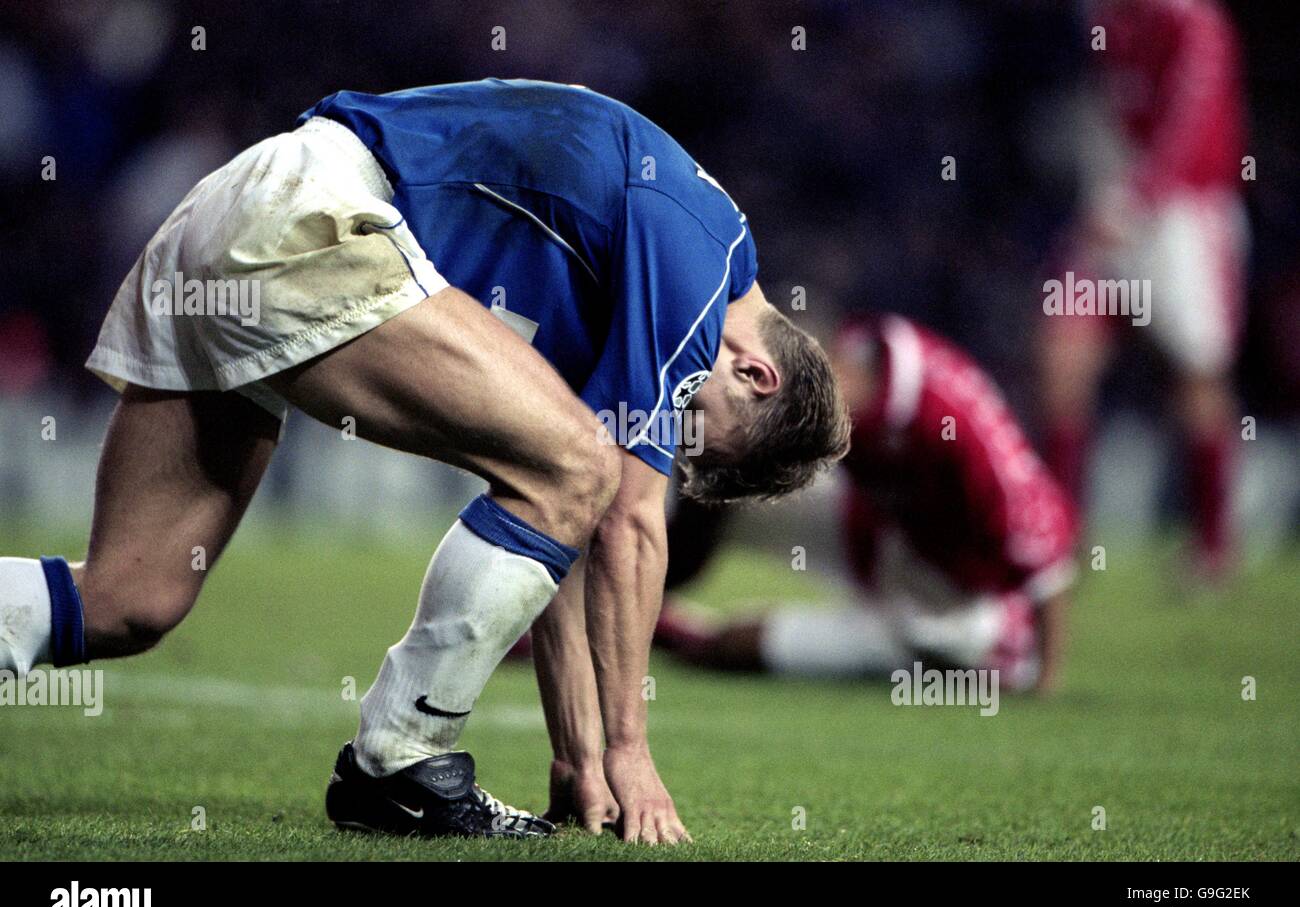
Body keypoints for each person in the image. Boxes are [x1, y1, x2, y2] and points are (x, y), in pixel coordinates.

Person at [0, 79, 850, 845]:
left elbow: (565, 527)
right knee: (583, 468)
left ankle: (399, 761)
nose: (665, 429)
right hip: (310, 215)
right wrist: (631, 752)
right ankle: (395, 765)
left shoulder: (652, 271)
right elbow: (623, 515)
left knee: (126, 598)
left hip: (231, 213)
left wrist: (578, 758)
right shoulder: (705, 262)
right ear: (754, 372)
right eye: (691, 425)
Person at [656, 314, 1078, 693]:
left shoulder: (950, 421)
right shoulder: (859, 348)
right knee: (721, 490)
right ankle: (627, 579)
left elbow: (1047, 557)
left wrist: (1046, 680)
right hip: (874, 528)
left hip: (951, 602)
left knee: (741, 648)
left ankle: (667, 628)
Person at [1039, 0, 1248, 579]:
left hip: (1184, 217)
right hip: (1115, 203)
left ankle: (1212, 544)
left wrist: (1141, 194)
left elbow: (1195, 115)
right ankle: (1059, 537)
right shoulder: (1101, 18)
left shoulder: (1193, 22)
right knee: (1064, 360)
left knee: (1197, 376)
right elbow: (1105, 107)